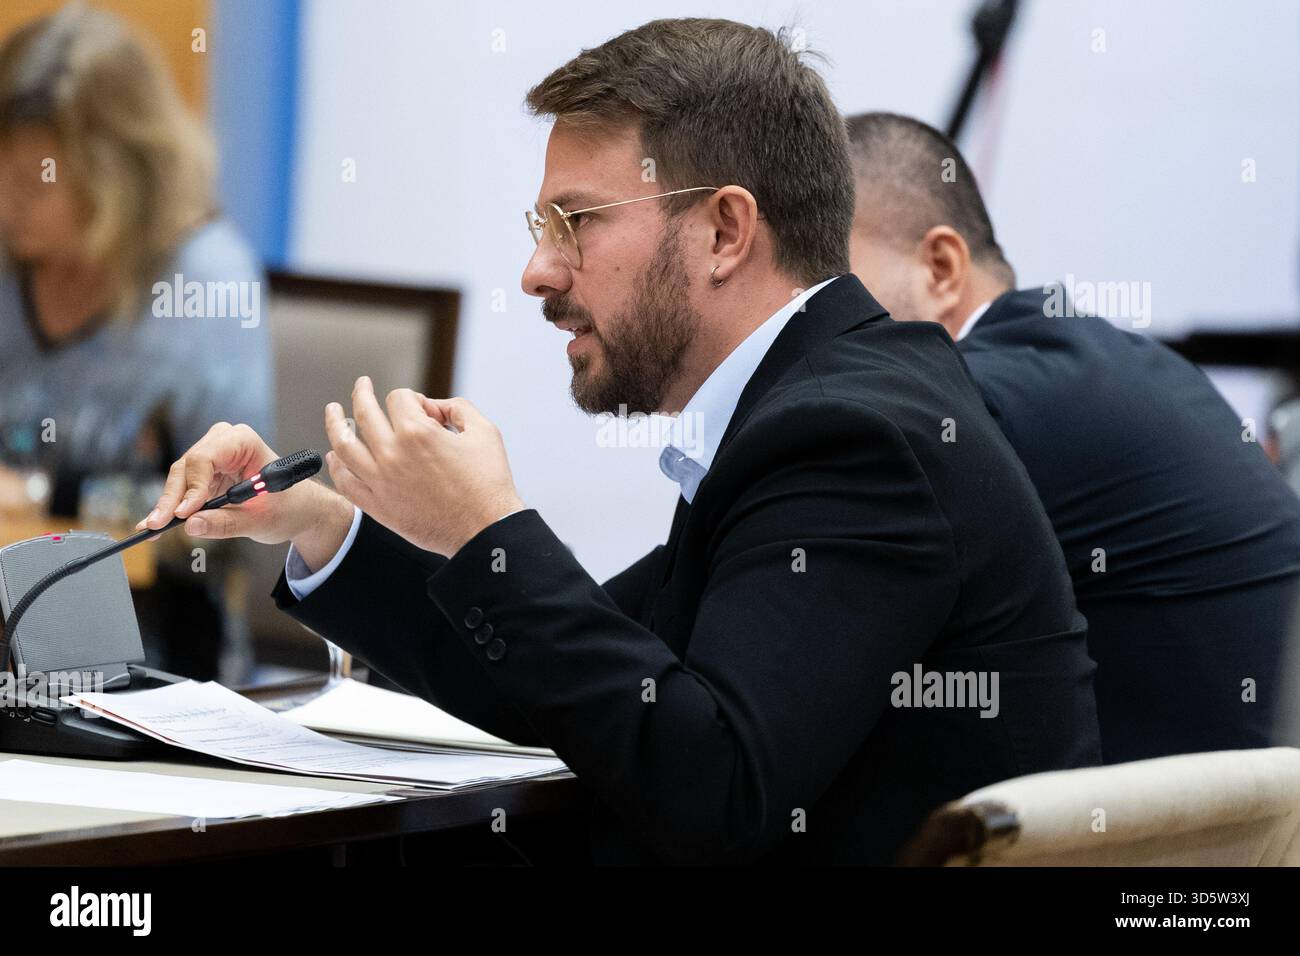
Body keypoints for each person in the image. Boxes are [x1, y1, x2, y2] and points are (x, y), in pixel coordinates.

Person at [140, 19, 1100, 865]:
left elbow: (715, 789)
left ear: (725, 231)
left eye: (577, 222)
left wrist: (489, 527)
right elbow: (573, 688)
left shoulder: (854, 435)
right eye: (540, 223)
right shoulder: (808, 401)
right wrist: (321, 524)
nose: (535, 271)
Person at [847, 111, 1300, 762]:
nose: (812, 329)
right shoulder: (1110, 363)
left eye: (826, 288)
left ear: (942, 268)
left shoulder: (973, 406)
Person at [0, 6, 273, 678]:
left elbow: (242, 522)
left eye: (37, 176)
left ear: (117, 172)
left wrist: (44, 499)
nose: (10, 201)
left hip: (155, 660)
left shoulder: (204, 280)